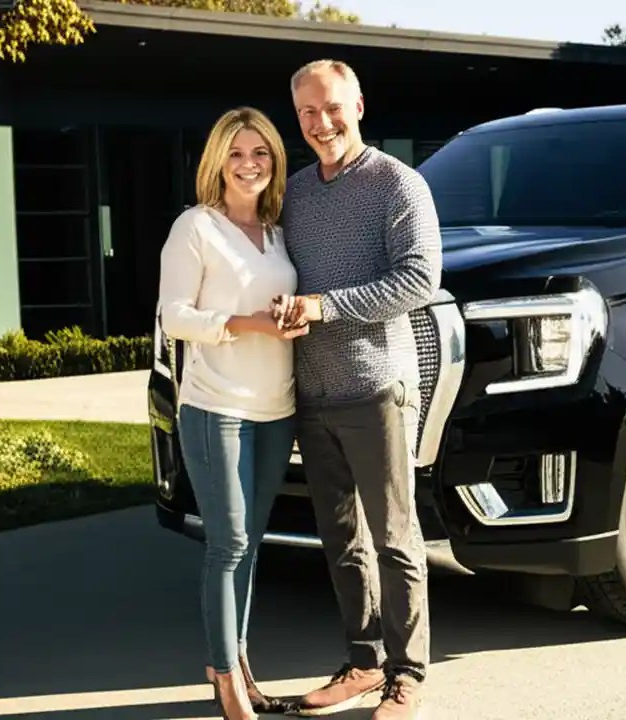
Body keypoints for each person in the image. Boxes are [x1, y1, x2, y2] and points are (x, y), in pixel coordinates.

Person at [273, 59, 442, 720]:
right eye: (308, 113)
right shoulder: (296, 193)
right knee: (340, 539)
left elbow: (419, 280)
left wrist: (323, 307)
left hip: (377, 388)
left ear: (360, 104)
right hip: (312, 394)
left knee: (395, 537)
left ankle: (408, 676)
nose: (322, 123)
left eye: (332, 107)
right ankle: (364, 663)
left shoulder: (398, 185)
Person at [156, 106, 307, 720]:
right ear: (217, 160)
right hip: (216, 405)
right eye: (237, 154)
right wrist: (246, 324)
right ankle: (225, 681)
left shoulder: (277, 231)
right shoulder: (195, 227)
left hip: (277, 408)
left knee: (251, 546)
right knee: (230, 540)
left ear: (274, 161)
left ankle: (240, 661)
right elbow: (174, 316)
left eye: (261, 153)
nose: (249, 165)